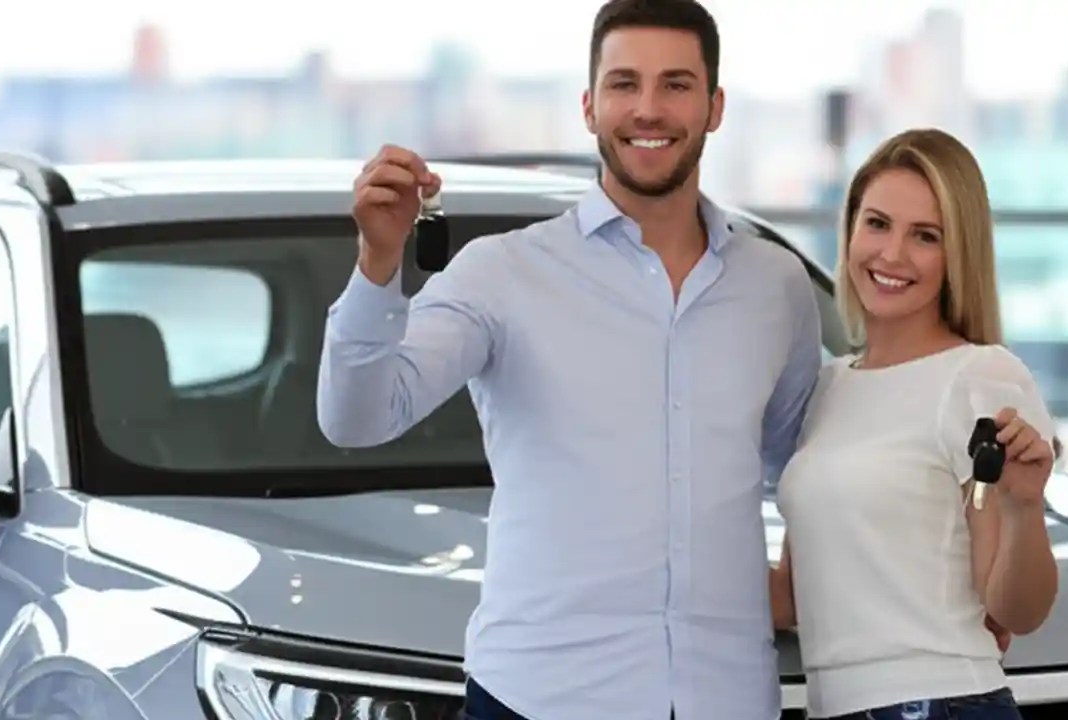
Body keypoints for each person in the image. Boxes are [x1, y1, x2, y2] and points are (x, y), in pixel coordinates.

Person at [316, 1, 822, 718]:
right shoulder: (503, 272)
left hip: (728, 698)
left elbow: (810, 477)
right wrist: (378, 260)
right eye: (624, 84)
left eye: (676, 85)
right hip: (539, 699)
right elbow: (356, 418)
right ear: (589, 106)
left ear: (714, 107)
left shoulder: (777, 286)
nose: (648, 109)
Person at [767, 128, 1059, 720]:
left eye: (925, 236)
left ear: (958, 255)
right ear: (849, 230)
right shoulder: (829, 388)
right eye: (877, 224)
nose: (892, 255)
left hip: (941, 702)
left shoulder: (980, 377)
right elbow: (794, 598)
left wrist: (1024, 509)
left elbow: (1015, 613)